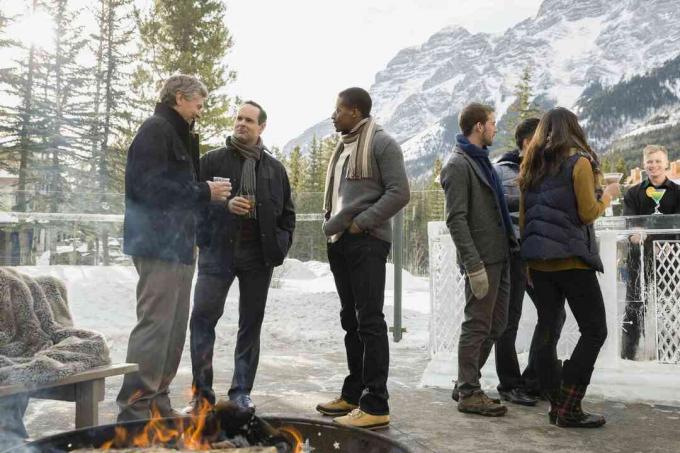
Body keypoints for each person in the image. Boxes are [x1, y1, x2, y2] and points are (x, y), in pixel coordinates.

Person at [117, 74, 231, 422]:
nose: (201, 109)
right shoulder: (155, 129)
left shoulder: (179, 134)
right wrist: (203, 192)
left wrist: (203, 198)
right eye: (198, 102)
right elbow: (146, 188)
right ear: (179, 97)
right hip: (157, 246)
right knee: (155, 326)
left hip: (180, 246)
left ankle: (158, 403)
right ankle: (135, 411)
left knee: (174, 329)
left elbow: (176, 188)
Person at [186, 101, 295, 413]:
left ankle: (241, 393)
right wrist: (225, 205)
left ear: (261, 127)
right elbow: (192, 203)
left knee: (250, 324)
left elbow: (288, 215)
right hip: (216, 254)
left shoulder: (275, 170)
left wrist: (280, 245)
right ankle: (201, 394)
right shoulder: (211, 161)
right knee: (202, 320)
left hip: (258, 258)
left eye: (249, 120)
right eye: (239, 118)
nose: (242, 124)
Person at [518, 107, 620, 428]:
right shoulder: (579, 162)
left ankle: (556, 403)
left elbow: (525, 219)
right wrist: (608, 197)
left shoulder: (531, 165)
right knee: (594, 330)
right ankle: (570, 405)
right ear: (573, 130)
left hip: (539, 263)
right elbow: (587, 213)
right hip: (573, 262)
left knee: (547, 328)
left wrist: (528, 263)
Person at [315, 87, 410, 430]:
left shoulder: (382, 143)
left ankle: (376, 403)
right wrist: (338, 227)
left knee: (369, 320)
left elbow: (400, 192)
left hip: (367, 241)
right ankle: (354, 395)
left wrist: (361, 223)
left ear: (355, 112)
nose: (333, 115)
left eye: (338, 109)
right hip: (341, 239)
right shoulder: (344, 146)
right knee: (350, 321)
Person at [440, 103, 516, 417]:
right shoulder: (458, 165)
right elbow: (455, 219)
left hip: (501, 255)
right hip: (482, 260)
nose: (495, 128)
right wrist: (473, 265)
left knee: (496, 325)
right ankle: (470, 392)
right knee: (477, 324)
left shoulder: (482, 161)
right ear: (478, 126)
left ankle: (465, 381)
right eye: (492, 123)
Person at [493, 117, 562, 405]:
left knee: (554, 313)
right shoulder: (500, 172)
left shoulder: (546, 171)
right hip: (513, 255)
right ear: (526, 143)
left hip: (539, 256)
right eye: (544, 138)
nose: (549, 143)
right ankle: (509, 384)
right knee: (509, 320)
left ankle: (535, 378)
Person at [621, 145, 680, 359]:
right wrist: (634, 232)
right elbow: (629, 222)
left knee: (668, 304)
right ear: (644, 165)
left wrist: (670, 242)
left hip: (669, 261)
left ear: (666, 163)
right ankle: (628, 354)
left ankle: (669, 351)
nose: (653, 165)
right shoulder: (633, 193)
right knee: (634, 304)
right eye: (649, 161)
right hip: (639, 258)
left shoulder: (678, 192)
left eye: (657, 161)